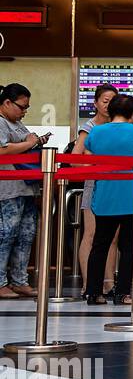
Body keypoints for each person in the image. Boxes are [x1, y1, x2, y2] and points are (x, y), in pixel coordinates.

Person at [83, 95, 133, 305]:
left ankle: (94, 292)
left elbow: (87, 160)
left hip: (105, 196)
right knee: (129, 247)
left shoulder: (96, 131)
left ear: (111, 111)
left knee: (100, 245)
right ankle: (123, 292)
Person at [0, 84, 48, 299]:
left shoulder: (17, 123)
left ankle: (19, 280)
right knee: (6, 235)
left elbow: (25, 144)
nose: (24, 111)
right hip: (7, 189)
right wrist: (29, 142)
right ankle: (0, 281)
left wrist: (35, 142)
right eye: (21, 107)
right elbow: (2, 150)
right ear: (7, 103)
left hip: (26, 187)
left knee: (26, 235)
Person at [75, 83, 118, 296]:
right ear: (95, 103)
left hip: (115, 184)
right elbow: (75, 159)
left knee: (112, 237)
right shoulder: (89, 127)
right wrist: (95, 167)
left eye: (113, 101)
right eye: (105, 101)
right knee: (91, 234)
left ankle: (109, 282)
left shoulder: (117, 126)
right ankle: (88, 283)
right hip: (94, 184)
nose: (109, 106)